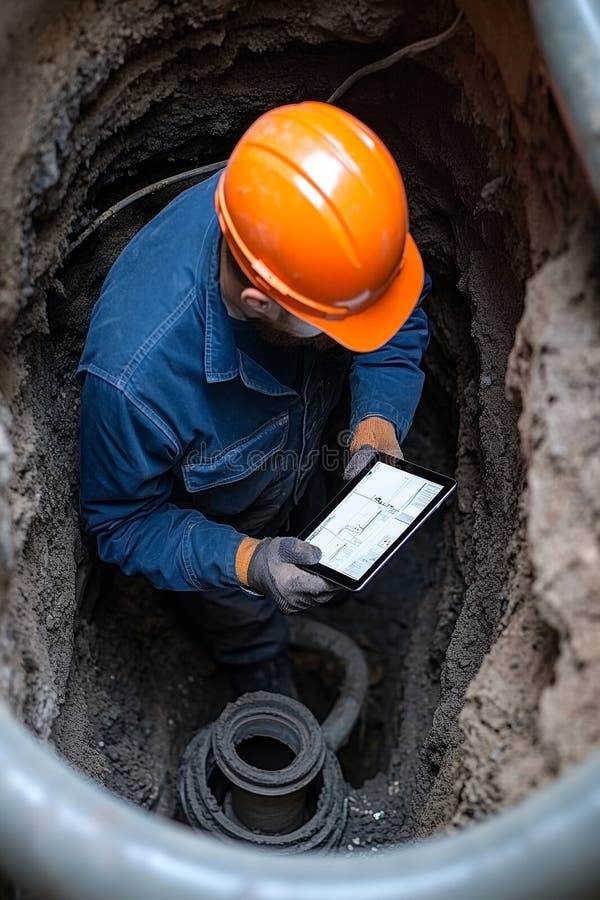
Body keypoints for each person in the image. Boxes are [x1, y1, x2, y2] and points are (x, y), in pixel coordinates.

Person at [78, 101, 431, 695]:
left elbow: (390, 319)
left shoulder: (325, 224)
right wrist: (248, 563)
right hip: (223, 536)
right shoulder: (136, 383)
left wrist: (377, 419)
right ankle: (259, 661)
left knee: (319, 531)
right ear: (260, 303)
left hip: (300, 467)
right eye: (339, 329)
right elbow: (122, 521)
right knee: (241, 616)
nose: (352, 337)